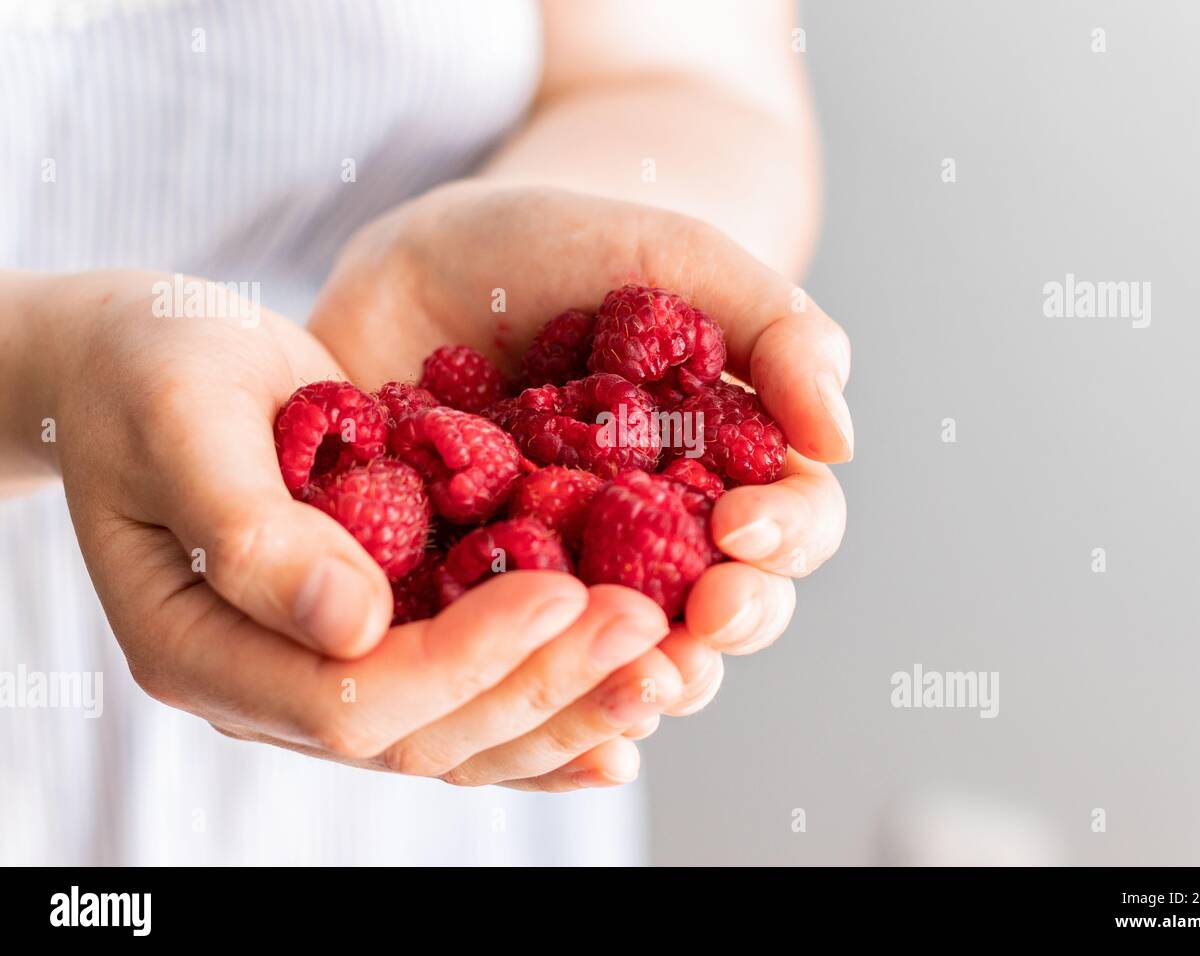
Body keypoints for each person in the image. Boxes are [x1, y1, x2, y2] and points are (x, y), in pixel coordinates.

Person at [0, 0, 850, 864]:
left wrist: (572, 223)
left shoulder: (470, 459)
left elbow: (683, 79)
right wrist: (40, 369)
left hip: (406, 701)